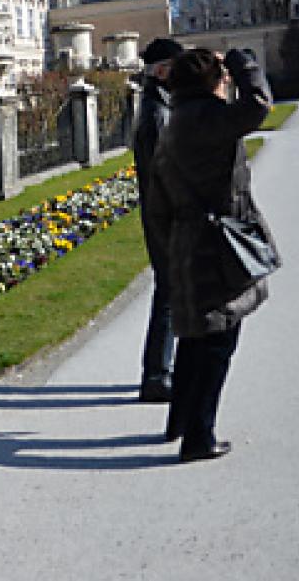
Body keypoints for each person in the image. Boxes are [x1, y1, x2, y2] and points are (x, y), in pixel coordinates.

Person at [155, 47, 276, 463]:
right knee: (219, 341)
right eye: (222, 77)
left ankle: (181, 422)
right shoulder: (205, 117)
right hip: (217, 241)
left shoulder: (177, 121)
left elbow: (157, 200)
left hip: (190, 238)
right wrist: (243, 60)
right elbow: (259, 104)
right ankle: (199, 436)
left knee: (196, 338)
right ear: (212, 81)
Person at [132, 37, 184, 403]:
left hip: (161, 211)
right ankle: (156, 375)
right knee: (168, 291)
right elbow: (162, 171)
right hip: (165, 214)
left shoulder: (158, 106)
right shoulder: (156, 113)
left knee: (170, 290)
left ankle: (160, 370)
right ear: (162, 70)